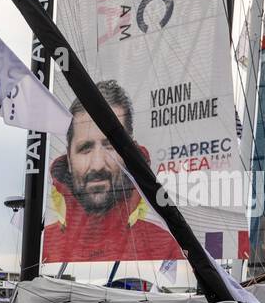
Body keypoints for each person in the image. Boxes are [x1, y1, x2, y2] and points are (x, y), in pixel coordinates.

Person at [42, 80, 182, 263]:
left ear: (130, 153)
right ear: (68, 158)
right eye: (85, 148)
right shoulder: (43, 246)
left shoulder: (166, 247)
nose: (98, 164)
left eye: (111, 146)